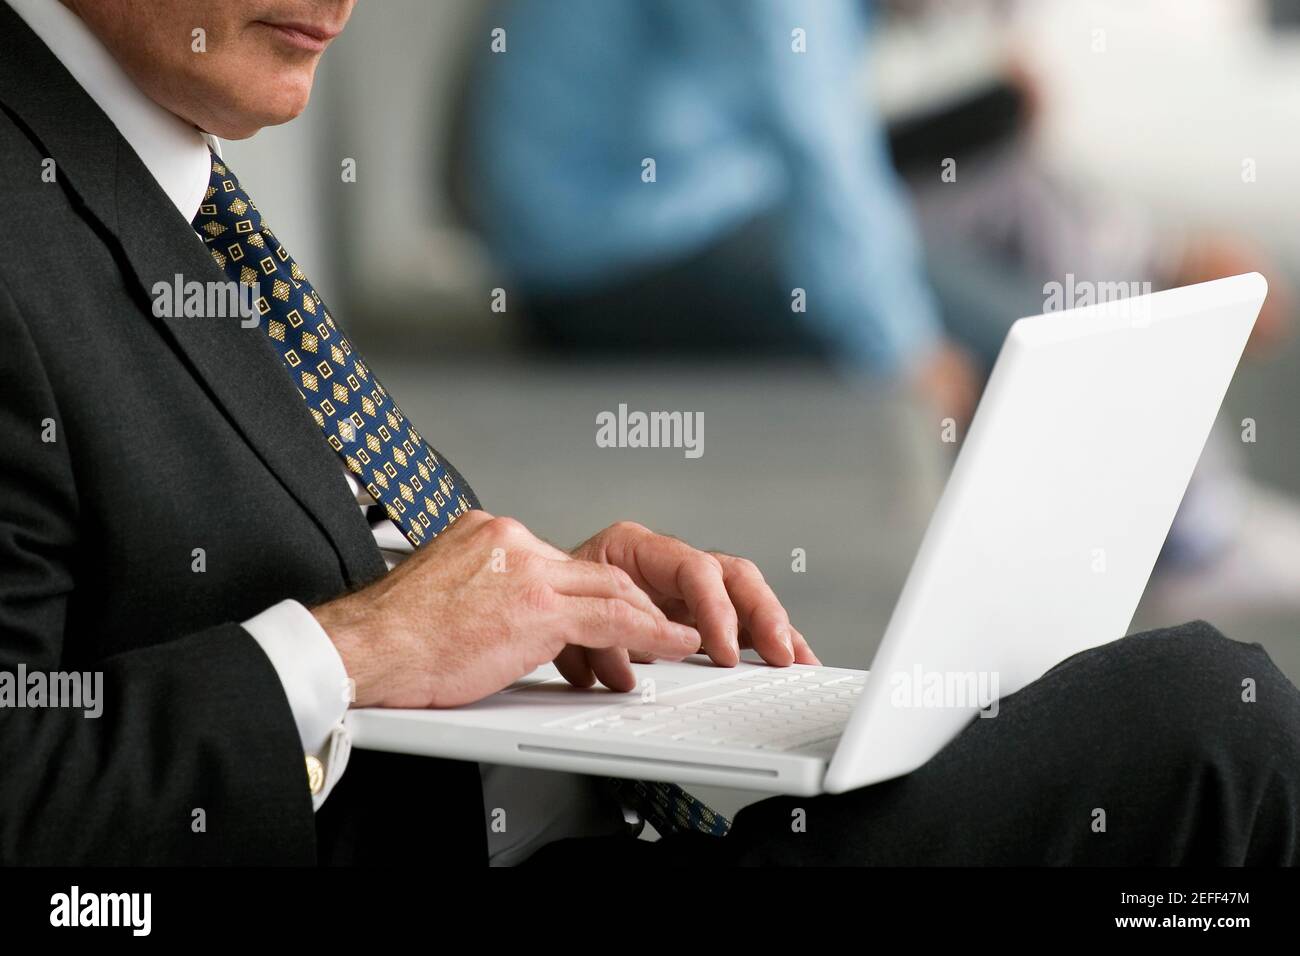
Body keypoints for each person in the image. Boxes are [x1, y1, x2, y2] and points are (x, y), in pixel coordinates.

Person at [1, 0, 1297, 867]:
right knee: (1199, 720)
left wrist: (534, 606)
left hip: (579, 825)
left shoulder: (155, 165)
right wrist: (359, 646)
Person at [455, 0, 982, 424]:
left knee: (1000, 292)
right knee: (992, 344)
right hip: (604, 259)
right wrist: (905, 350)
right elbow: (819, 147)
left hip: (680, 210)